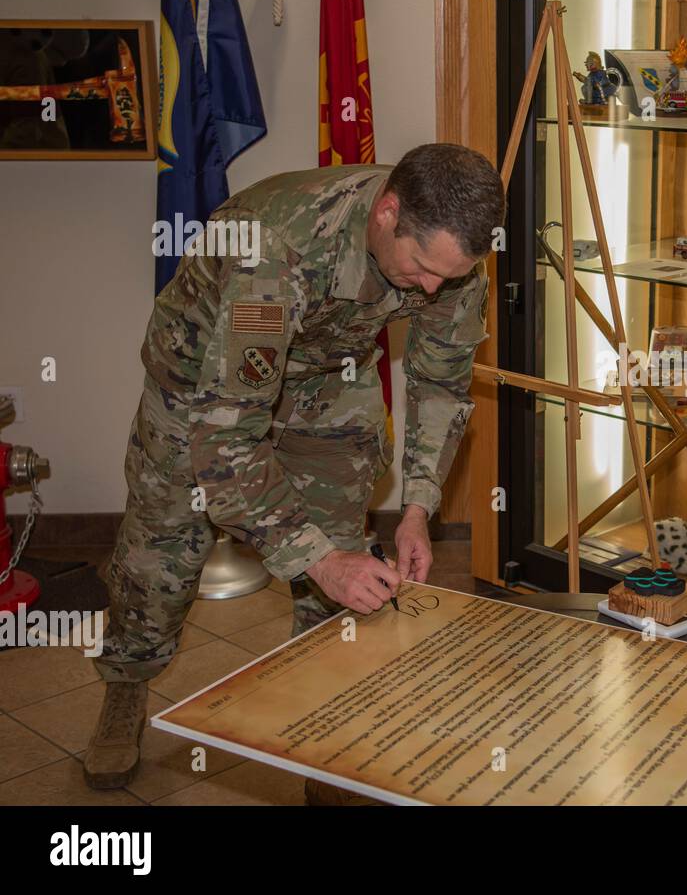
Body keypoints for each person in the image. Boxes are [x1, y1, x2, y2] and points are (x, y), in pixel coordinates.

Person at [84, 143, 505, 790]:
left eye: (448, 277)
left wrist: (418, 508)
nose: (432, 289)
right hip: (200, 378)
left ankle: (323, 717)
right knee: (160, 556)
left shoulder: (448, 259)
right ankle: (127, 683)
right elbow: (230, 433)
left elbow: (441, 381)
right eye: (422, 269)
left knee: (340, 547)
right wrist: (315, 558)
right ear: (388, 213)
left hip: (327, 372)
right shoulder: (275, 250)